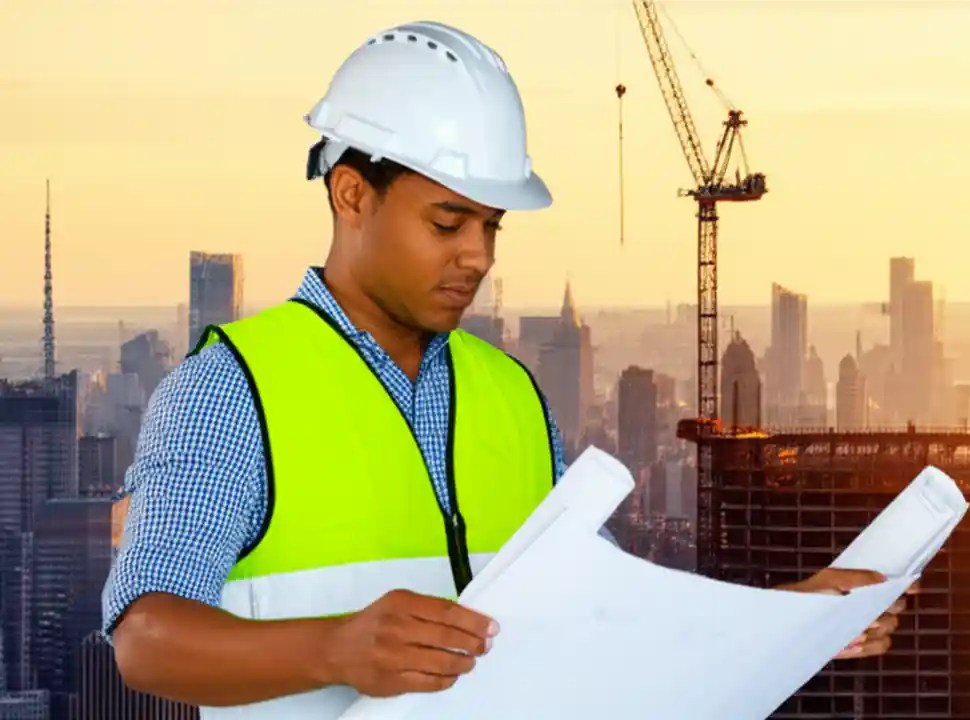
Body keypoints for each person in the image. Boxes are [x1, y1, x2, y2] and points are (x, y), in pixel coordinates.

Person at [102, 20, 915, 718]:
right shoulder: (232, 390)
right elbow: (145, 640)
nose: (478, 256)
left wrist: (786, 620)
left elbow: (592, 616)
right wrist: (337, 649)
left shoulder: (512, 395)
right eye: (448, 221)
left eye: (491, 226)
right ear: (352, 195)